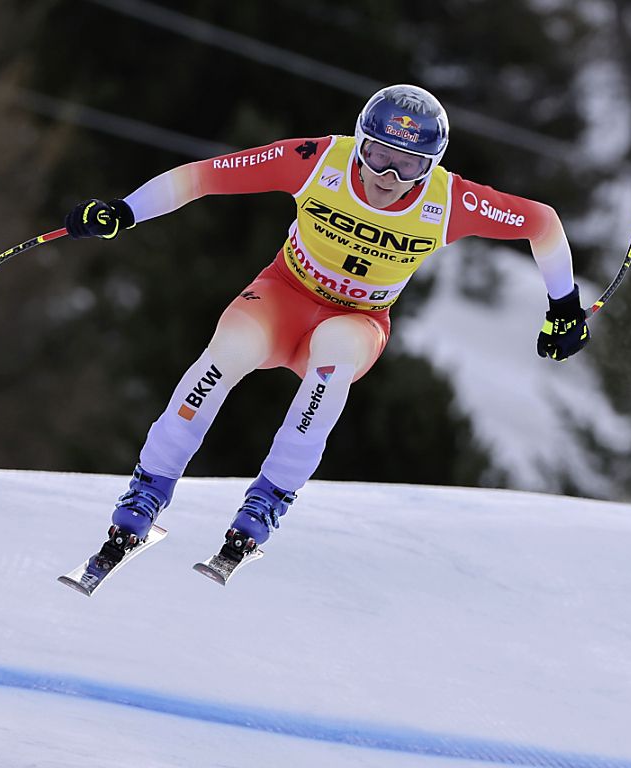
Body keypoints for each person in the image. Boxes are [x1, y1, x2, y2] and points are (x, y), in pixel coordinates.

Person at [64, 84, 589, 565]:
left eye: (410, 166)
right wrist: (124, 211)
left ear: (432, 165)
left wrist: (563, 304)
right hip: (282, 296)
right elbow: (204, 177)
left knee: (332, 360)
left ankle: (265, 504)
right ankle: (147, 492)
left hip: (357, 319)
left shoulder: (448, 201)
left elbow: (541, 222)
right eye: (380, 156)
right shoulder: (317, 161)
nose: (389, 177)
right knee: (226, 354)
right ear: (360, 142)